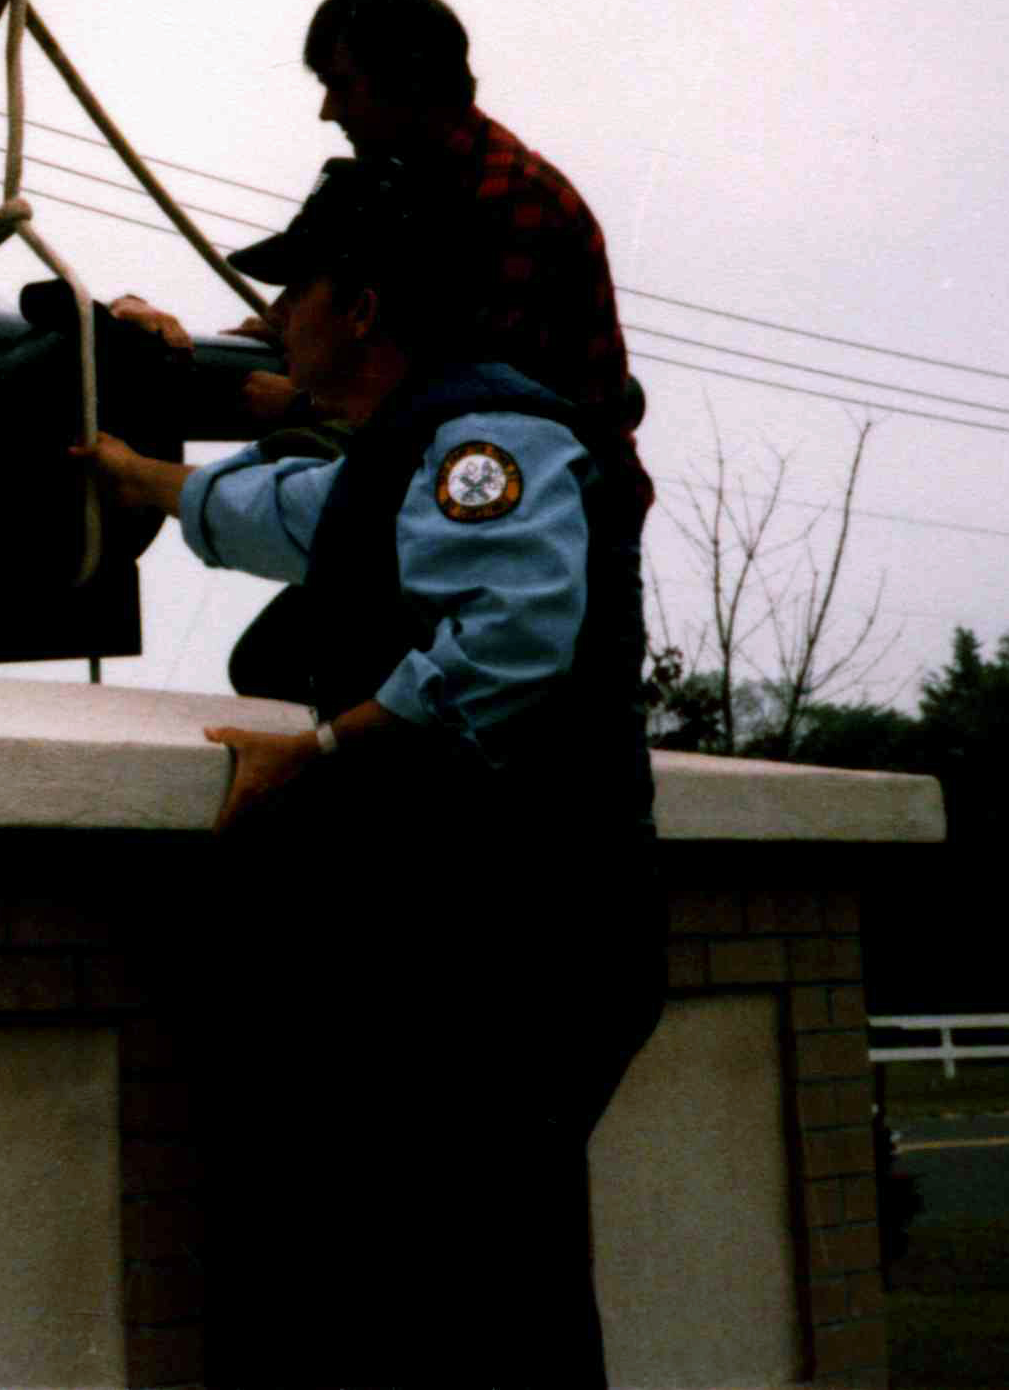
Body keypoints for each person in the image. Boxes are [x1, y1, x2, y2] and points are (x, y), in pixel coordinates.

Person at [73, 157, 662, 1390]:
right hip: (477, 925)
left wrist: (327, 744)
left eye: (300, 290)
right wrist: (136, 477)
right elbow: (296, 511)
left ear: (365, 306)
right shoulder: (409, 445)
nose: (277, 317)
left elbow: (512, 636)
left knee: (493, 1277)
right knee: (445, 1267)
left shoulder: (485, 433)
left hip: (527, 925)